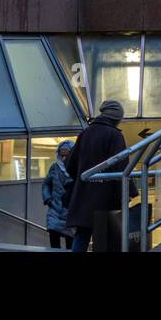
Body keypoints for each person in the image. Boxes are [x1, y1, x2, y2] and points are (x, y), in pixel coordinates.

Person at [64, 100, 133, 252]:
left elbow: (69, 164)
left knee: (82, 234)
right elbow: (121, 168)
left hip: (83, 193)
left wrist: (83, 178)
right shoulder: (115, 135)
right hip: (106, 196)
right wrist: (127, 192)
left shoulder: (85, 133)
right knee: (105, 238)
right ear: (116, 118)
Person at [42, 140, 75, 249]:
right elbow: (46, 184)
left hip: (70, 212)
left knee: (70, 242)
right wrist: (48, 199)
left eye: (67, 155)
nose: (64, 158)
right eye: (62, 155)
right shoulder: (54, 167)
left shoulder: (77, 168)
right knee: (54, 238)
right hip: (55, 210)